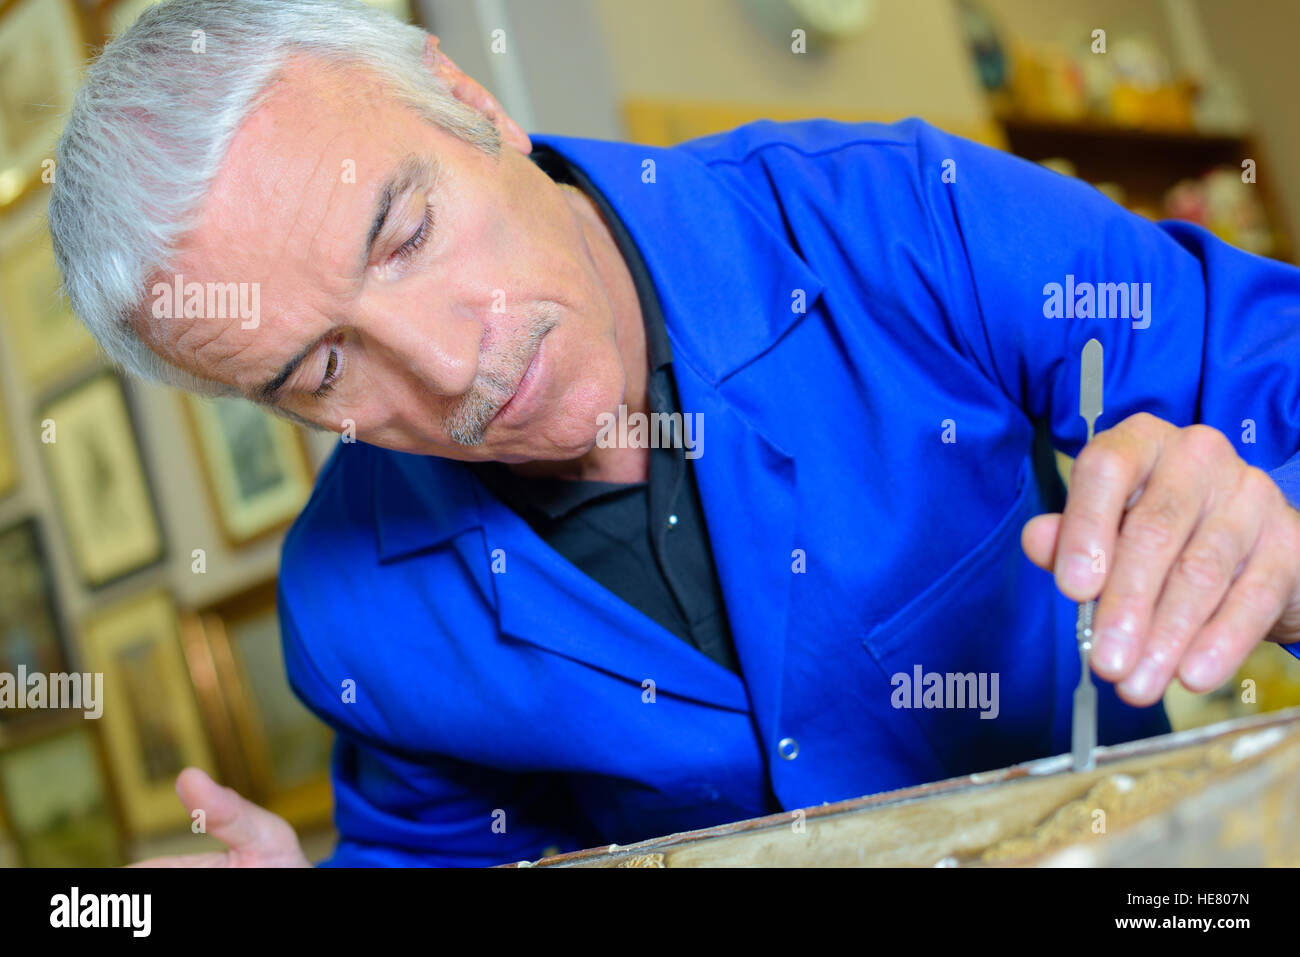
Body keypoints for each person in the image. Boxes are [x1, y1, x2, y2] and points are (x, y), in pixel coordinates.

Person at [50, 0, 1300, 867]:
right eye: (321, 367)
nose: (448, 371)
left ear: (465, 100)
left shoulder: (900, 216)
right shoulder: (344, 612)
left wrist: (1276, 538)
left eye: (403, 235)